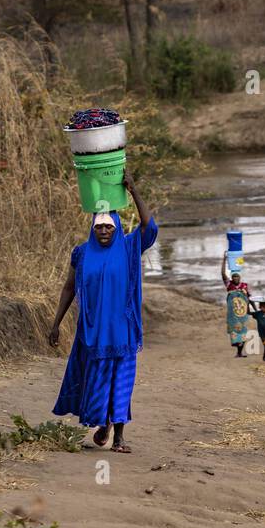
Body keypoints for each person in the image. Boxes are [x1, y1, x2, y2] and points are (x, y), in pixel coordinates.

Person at [49, 171, 157, 453]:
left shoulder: (130, 247)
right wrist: (56, 323)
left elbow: (150, 227)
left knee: (121, 384)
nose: (105, 231)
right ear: (92, 229)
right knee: (97, 383)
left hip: (122, 331)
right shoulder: (82, 254)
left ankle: (119, 437)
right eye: (100, 227)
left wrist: (133, 190)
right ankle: (104, 423)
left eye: (109, 227)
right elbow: (68, 288)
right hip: (93, 333)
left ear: (117, 227)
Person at [220, 253, 252, 358]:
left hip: (242, 312)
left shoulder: (245, 285)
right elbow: (222, 274)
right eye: (233, 276)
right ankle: (238, 351)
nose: (235, 278)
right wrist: (224, 260)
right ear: (232, 277)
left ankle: (240, 352)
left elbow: (248, 298)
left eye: (237, 276)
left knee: (243, 330)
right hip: (233, 313)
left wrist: (251, 310)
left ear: (240, 277)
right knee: (235, 330)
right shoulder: (229, 284)